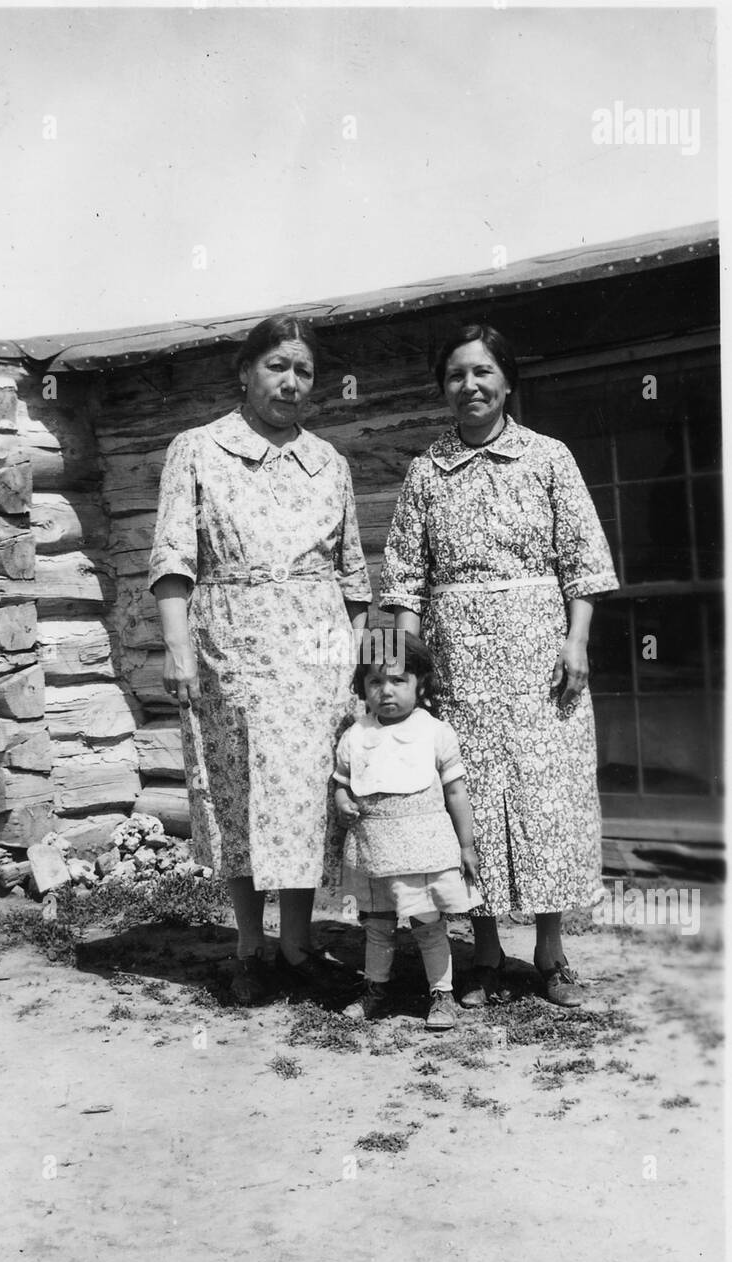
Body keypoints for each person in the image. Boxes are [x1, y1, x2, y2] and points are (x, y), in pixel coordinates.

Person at [379, 324, 618, 1008]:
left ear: (507, 381)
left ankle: (550, 952)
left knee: (549, 799)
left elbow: (583, 562)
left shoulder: (549, 457)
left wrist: (576, 641)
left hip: (541, 659)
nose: (470, 386)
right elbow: (405, 583)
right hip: (459, 663)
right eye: (456, 375)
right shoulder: (427, 471)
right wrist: (413, 672)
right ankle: (484, 953)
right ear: (443, 388)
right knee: (470, 800)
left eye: (482, 372)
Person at [148, 314, 371, 1004]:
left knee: (306, 794)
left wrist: (356, 668)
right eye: (277, 366)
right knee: (236, 790)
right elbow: (172, 560)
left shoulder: (328, 462)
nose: (291, 381)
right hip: (231, 648)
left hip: (315, 652)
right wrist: (179, 650)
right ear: (246, 372)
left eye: (304, 370)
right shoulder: (197, 449)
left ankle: (298, 944)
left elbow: (353, 580)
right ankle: (249, 945)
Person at [334, 632, 482, 1030]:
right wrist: (343, 802)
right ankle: (375, 989)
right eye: (375, 681)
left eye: (398, 680)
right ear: (362, 687)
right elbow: (342, 783)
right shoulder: (356, 735)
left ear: (420, 684)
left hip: (422, 853)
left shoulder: (434, 732)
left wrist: (466, 846)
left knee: (428, 926)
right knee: (377, 927)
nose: (386, 691)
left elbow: (456, 792)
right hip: (374, 849)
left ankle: (442, 995)